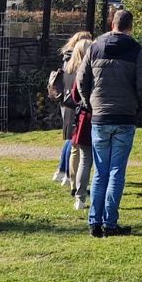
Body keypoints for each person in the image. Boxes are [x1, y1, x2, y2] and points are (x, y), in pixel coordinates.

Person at [76, 8, 142, 237]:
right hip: (125, 116)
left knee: (100, 171)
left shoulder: (95, 47)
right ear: (130, 27)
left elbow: (82, 79)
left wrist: (89, 102)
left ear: (112, 24)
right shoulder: (136, 50)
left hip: (100, 116)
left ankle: (94, 222)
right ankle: (110, 222)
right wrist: (140, 106)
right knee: (117, 171)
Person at [53, 31, 92, 186]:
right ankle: (69, 175)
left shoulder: (68, 61)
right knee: (74, 143)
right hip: (75, 105)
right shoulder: (79, 65)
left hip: (67, 102)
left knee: (71, 140)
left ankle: (63, 172)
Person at [66, 35, 95, 210]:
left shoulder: (76, 69)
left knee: (82, 157)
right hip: (96, 116)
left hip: (82, 116)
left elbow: (76, 94)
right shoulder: (95, 69)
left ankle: (78, 195)